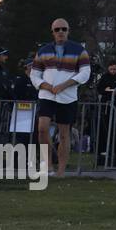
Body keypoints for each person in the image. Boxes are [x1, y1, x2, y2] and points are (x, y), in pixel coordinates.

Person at [31, 18, 92, 178]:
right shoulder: (43, 50)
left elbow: (85, 73)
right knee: (42, 128)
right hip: (46, 95)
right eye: (57, 29)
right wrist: (47, 86)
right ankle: (49, 165)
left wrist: (65, 85)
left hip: (68, 97)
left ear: (68, 31)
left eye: (64, 29)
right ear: (52, 32)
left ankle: (61, 171)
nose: (60, 32)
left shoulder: (79, 50)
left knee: (64, 134)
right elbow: (34, 74)